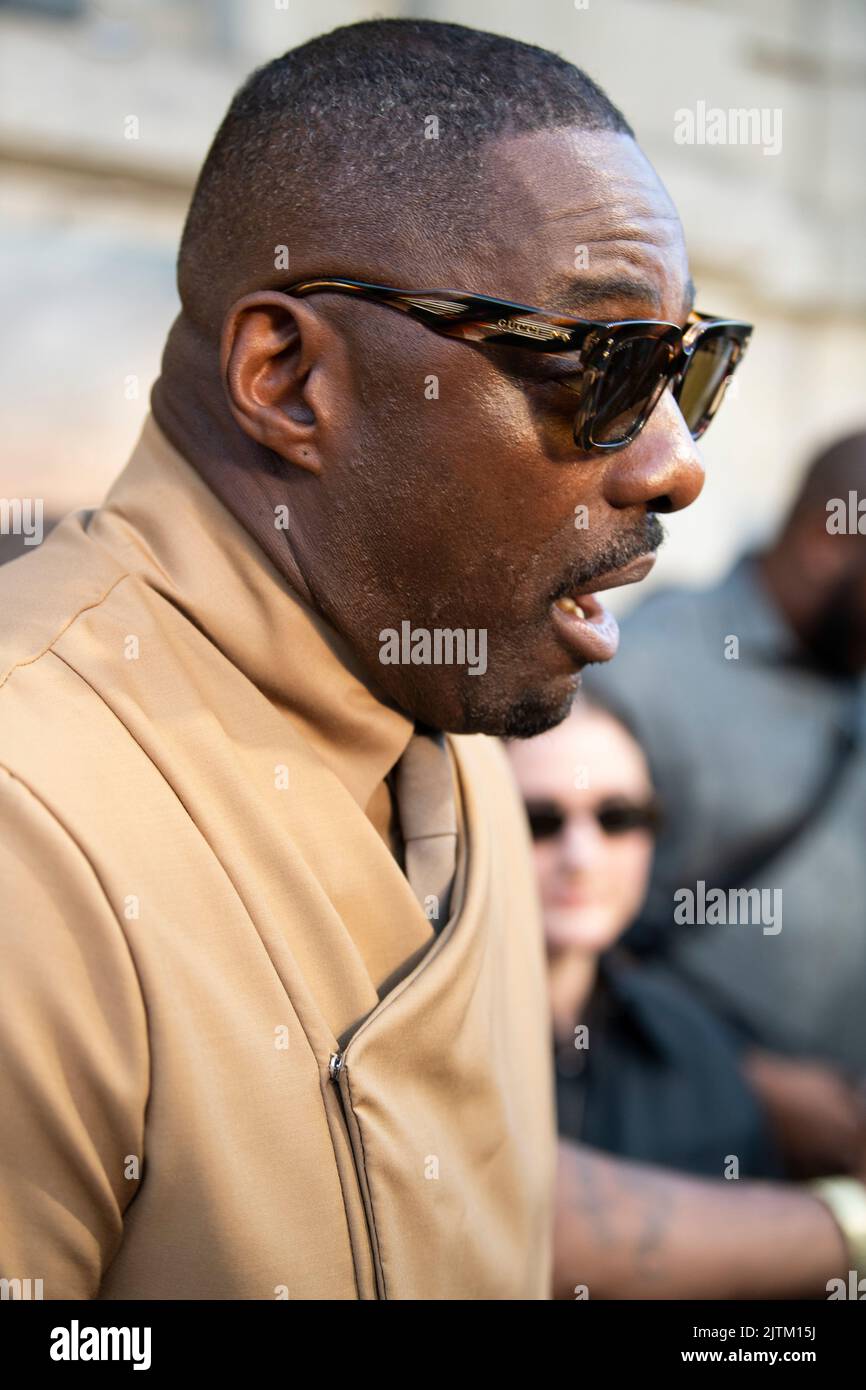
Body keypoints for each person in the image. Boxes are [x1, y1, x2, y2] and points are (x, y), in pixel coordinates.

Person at [1, 18, 745, 1300]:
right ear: (287, 378)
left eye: (693, 366)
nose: (674, 462)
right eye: (606, 367)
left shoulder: (446, 730)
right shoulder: (31, 826)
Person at [507, 699, 866, 1298]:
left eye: (618, 817)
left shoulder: (694, 1041)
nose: (581, 855)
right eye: (540, 822)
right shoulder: (425, 1033)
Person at [585, 431, 866, 1074]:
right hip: (689, 1136)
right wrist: (750, 1089)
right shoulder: (648, 673)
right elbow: (564, 931)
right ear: (828, 545)